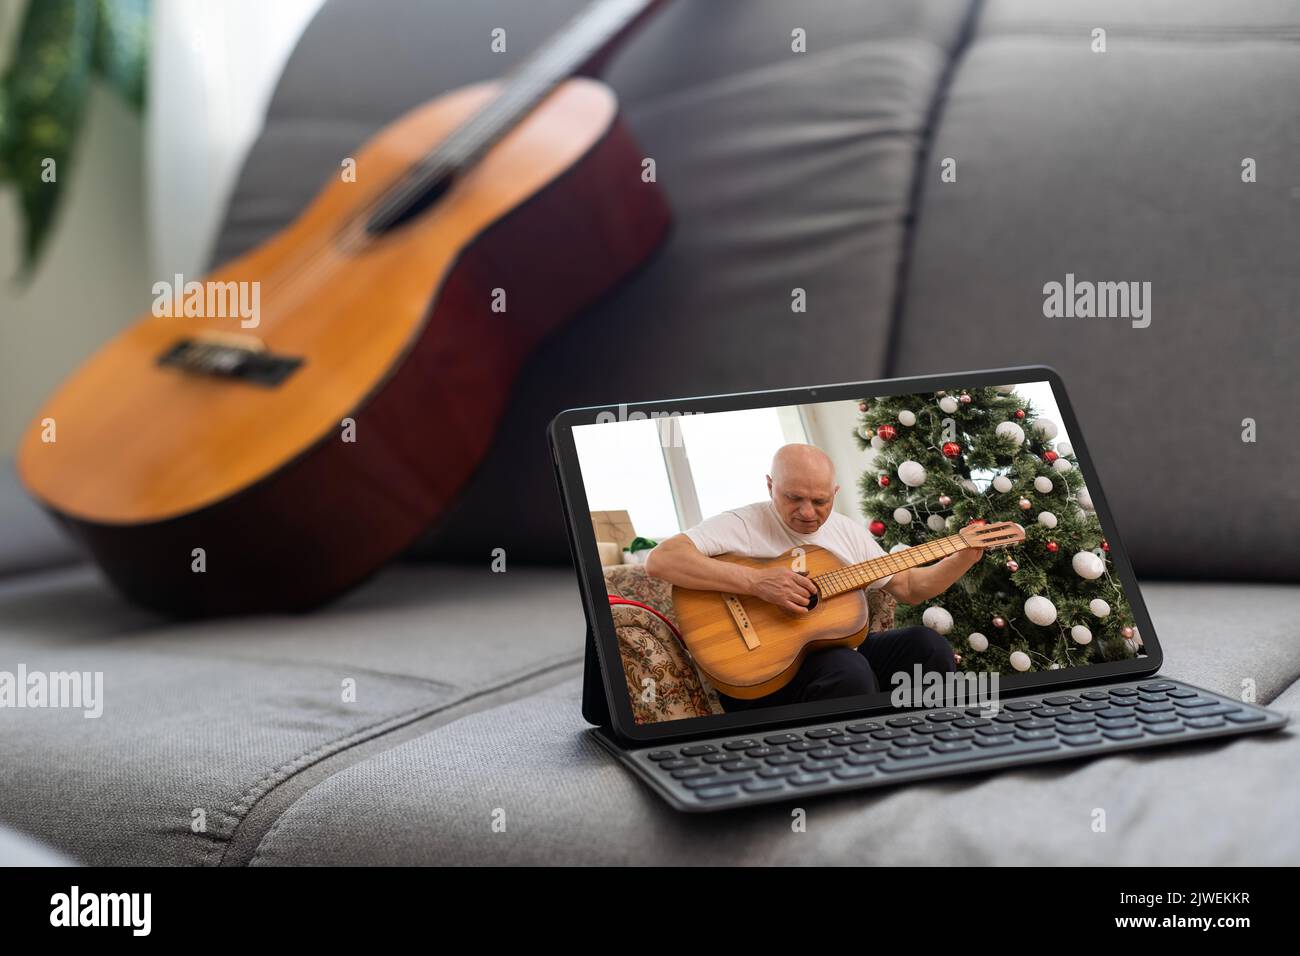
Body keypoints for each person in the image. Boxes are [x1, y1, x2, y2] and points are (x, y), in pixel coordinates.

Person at [645, 443, 985, 711]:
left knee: (928, 646)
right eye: (794, 498)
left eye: (820, 501)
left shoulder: (845, 532)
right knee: (848, 668)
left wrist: (964, 555)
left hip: (831, 654)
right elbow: (662, 560)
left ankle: (923, 748)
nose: (808, 513)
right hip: (760, 672)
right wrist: (756, 583)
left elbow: (911, 587)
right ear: (770, 486)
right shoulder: (742, 523)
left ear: (834, 493)